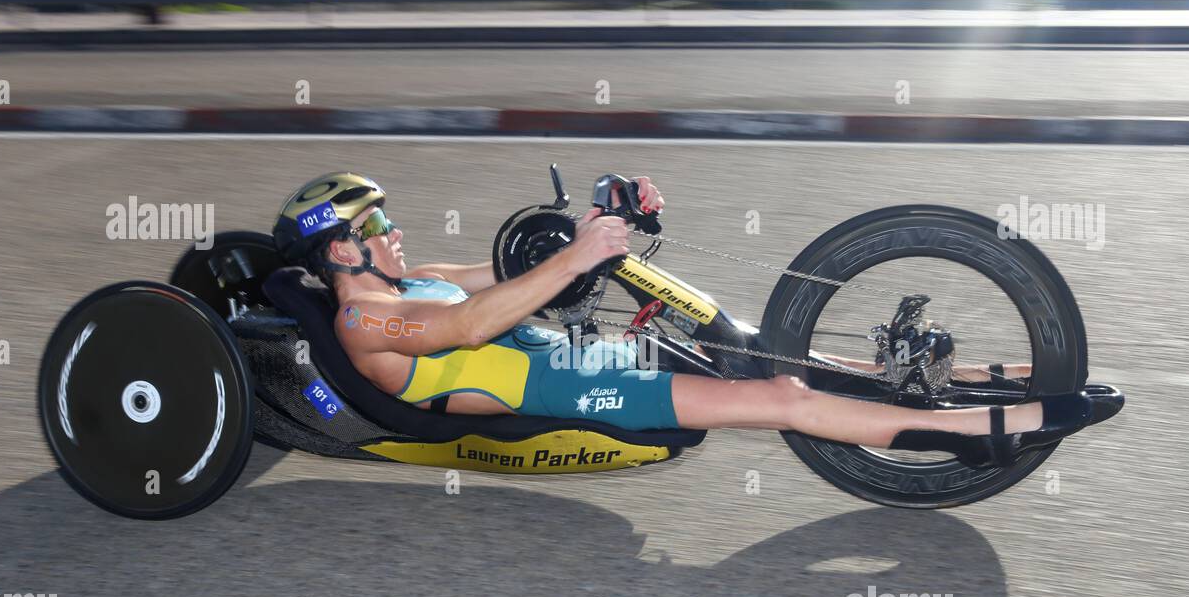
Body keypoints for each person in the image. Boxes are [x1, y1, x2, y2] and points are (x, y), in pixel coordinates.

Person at [272, 173, 1115, 466]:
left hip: (565, 345)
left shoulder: (411, 278)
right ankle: (988, 429)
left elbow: (508, 269)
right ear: (339, 252)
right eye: (375, 226)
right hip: (572, 388)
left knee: (778, 357)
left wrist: (608, 224)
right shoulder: (362, 328)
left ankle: (979, 377)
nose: (396, 232)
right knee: (779, 398)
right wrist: (573, 261)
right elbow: (458, 333)